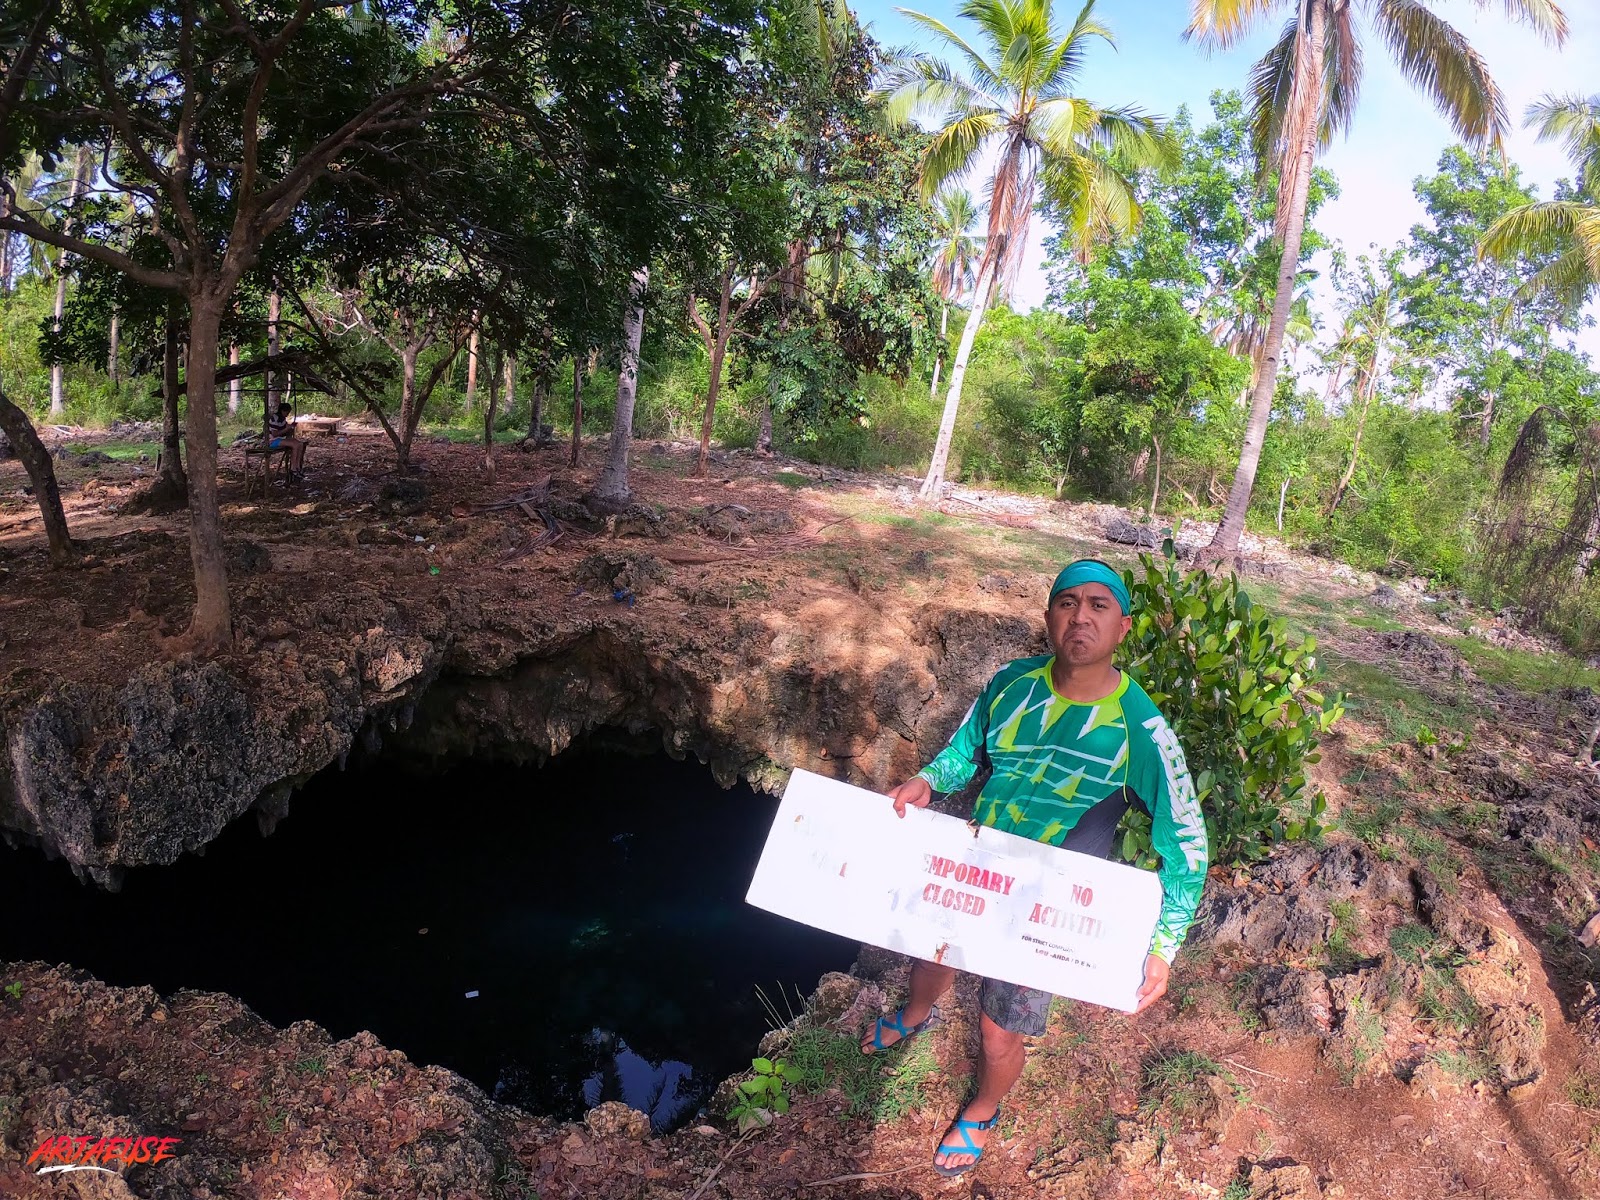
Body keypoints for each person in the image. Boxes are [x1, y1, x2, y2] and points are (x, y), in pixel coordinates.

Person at [859, 558, 1209, 1178]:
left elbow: (1186, 843)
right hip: (973, 867)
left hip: (1047, 905)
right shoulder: (1009, 685)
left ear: (1123, 626)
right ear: (1048, 617)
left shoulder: (1144, 731)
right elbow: (965, 752)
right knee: (933, 952)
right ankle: (916, 1013)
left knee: (999, 1032)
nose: (1081, 617)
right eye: (1067, 602)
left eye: (1099, 606)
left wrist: (1165, 940)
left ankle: (983, 1109)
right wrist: (927, 781)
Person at [267, 401, 308, 478]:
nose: (287, 414)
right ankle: (293, 468)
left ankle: (297, 466)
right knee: (295, 445)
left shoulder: (282, 419)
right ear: (282, 411)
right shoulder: (274, 419)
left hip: (281, 439)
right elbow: (274, 434)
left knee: (300, 444)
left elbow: (286, 428)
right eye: (287, 412)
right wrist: (287, 429)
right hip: (273, 441)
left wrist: (291, 426)